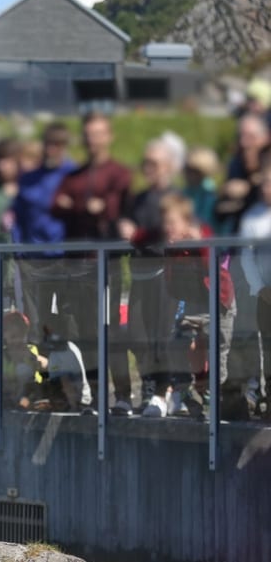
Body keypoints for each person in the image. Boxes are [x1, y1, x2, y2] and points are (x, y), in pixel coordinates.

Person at [50, 112, 131, 400]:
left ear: (108, 136)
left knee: (110, 332)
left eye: (97, 134)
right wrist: (86, 206)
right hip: (77, 266)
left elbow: (112, 209)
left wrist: (78, 205)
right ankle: (97, 392)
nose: (92, 140)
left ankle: (121, 394)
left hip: (105, 266)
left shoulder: (119, 173)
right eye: (87, 135)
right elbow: (57, 206)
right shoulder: (75, 176)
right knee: (85, 332)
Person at [139, 194, 236, 419]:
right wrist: (150, 230)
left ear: (187, 222)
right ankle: (188, 388)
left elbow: (211, 264)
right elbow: (139, 238)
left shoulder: (202, 235)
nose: (167, 228)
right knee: (178, 342)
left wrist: (199, 242)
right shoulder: (170, 241)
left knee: (218, 350)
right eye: (164, 223)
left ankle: (215, 395)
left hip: (217, 302)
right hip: (192, 303)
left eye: (172, 223)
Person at [116, 138, 181, 415]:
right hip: (140, 275)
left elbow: (167, 235)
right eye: (146, 164)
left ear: (168, 166)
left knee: (162, 336)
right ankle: (146, 386)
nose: (149, 169)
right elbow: (126, 228)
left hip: (166, 275)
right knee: (137, 336)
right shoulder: (139, 199)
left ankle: (164, 389)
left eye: (154, 163)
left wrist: (136, 235)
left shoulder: (175, 198)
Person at [238, 161, 271, 419]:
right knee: (268, 350)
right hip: (265, 294)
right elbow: (246, 256)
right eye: (264, 184)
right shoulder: (253, 217)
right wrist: (259, 288)